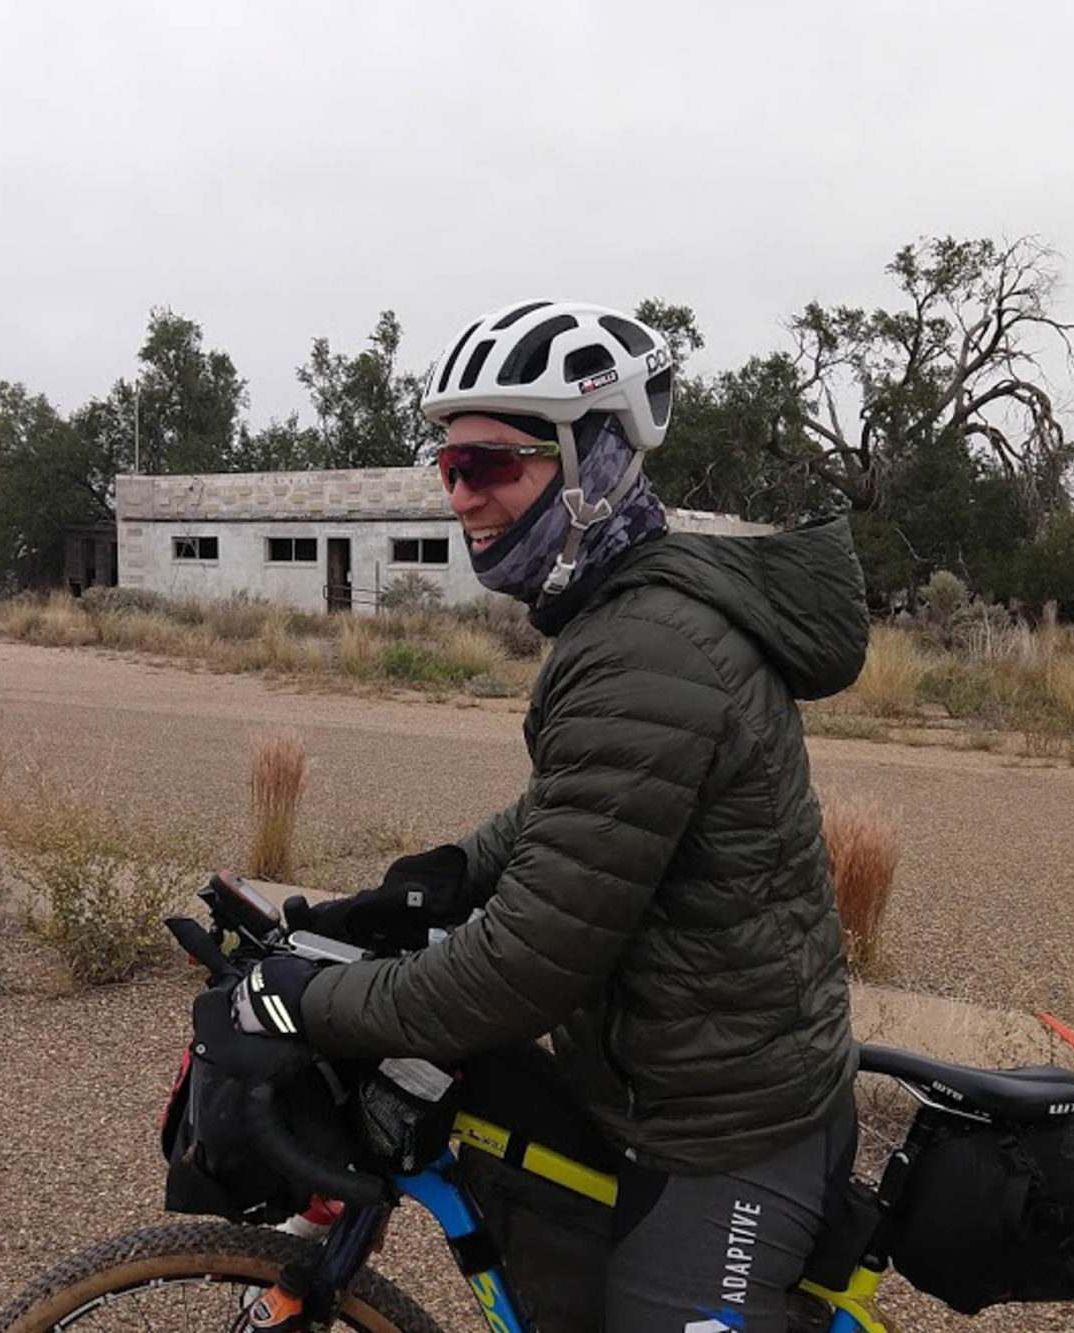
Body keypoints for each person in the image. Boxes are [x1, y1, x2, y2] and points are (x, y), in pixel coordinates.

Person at [231, 299, 870, 1331]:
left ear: (591, 460)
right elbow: (586, 811)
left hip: (725, 1127)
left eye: (489, 465)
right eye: (447, 468)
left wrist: (306, 1002)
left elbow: (526, 966)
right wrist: (437, 874)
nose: (462, 497)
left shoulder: (643, 647)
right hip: (660, 1081)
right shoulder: (627, 612)